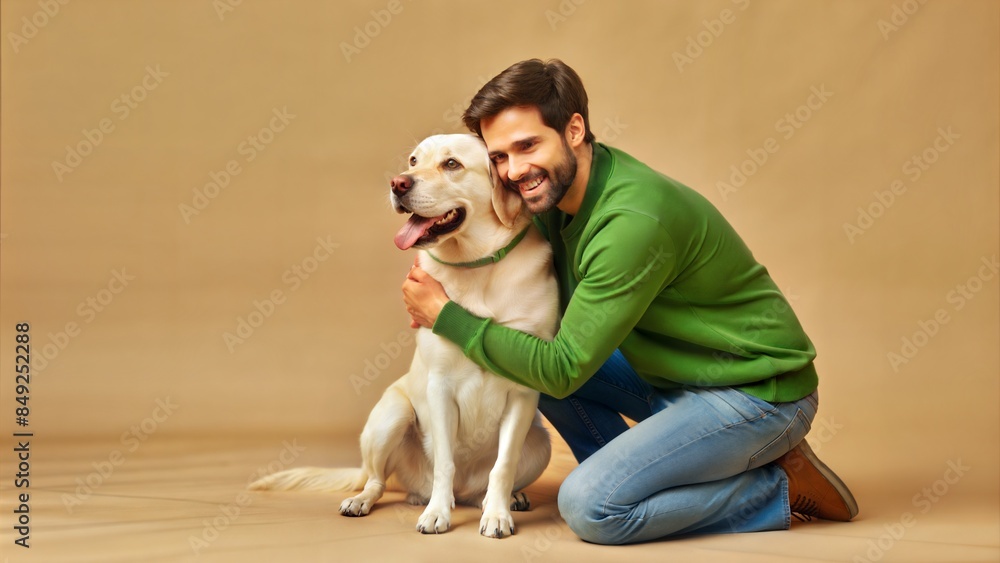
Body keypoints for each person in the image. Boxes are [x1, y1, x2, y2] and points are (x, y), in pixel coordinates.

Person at [401, 58, 858, 545]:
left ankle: (777, 488)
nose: (514, 171)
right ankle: (643, 474)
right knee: (531, 356)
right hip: (678, 372)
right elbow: (501, 258)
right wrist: (440, 254)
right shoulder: (557, 191)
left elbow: (560, 370)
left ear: (574, 129)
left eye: (528, 145)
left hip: (758, 395)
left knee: (591, 507)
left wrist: (445, 315)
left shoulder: (631, 221)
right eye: (498, 157)